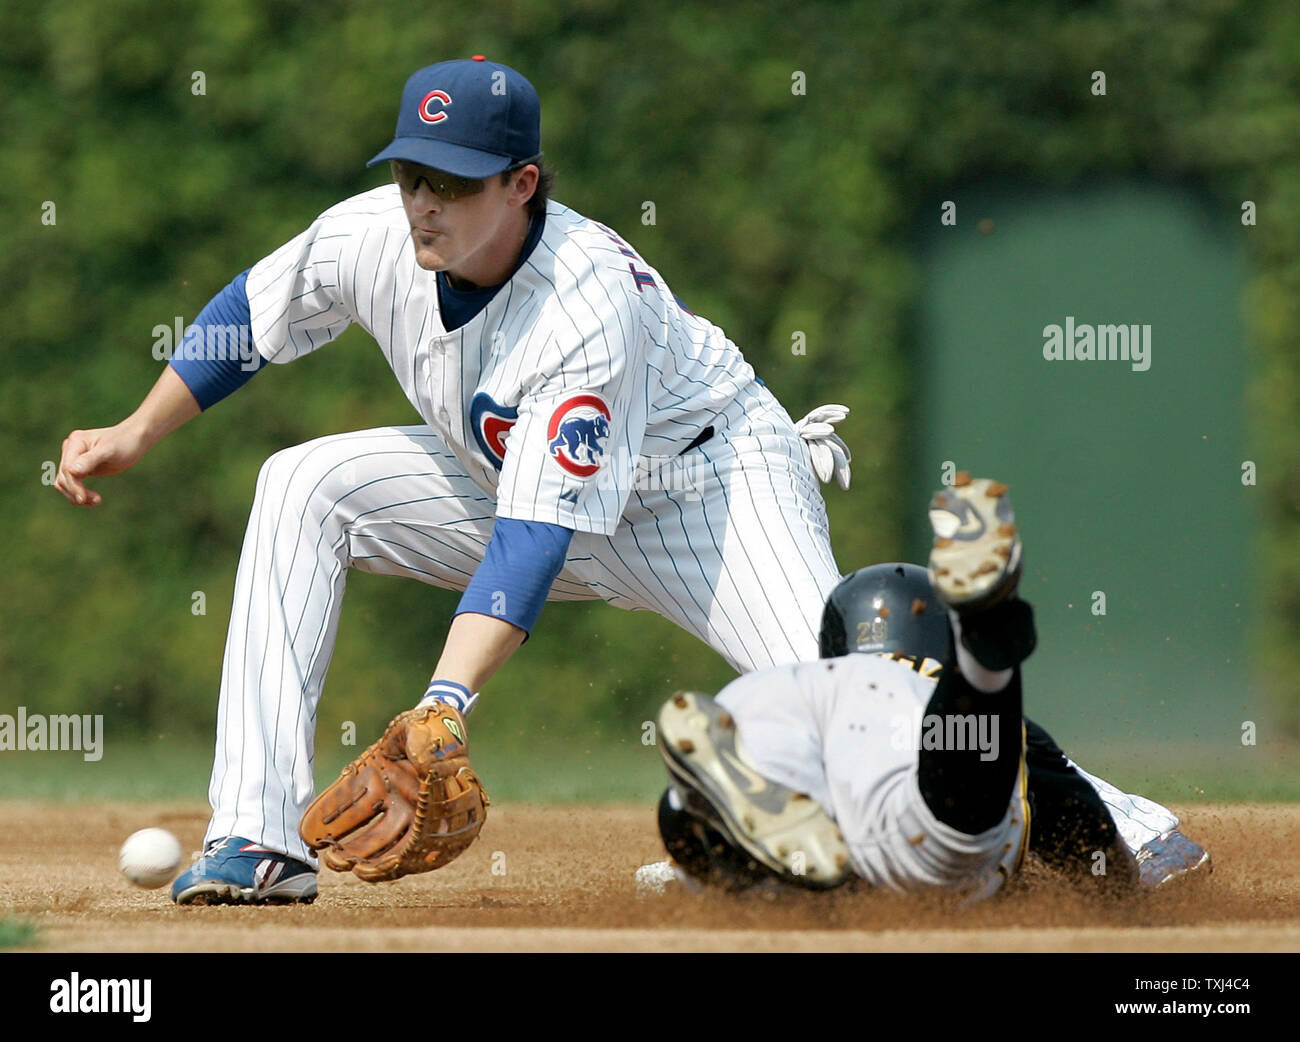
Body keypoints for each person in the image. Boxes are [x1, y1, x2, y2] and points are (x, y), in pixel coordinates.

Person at [52, 57, 852, 905]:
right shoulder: (375, 236)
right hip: (509, 484)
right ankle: (257, 837)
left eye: (454, 181)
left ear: (521, 184)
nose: (424, 201)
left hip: (706, 490)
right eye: (410, 175)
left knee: (863, 719)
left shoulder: (585, 303)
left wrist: (444, 701)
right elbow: (250, 313)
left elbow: (534, 539)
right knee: (301, 485)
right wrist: (138, 428)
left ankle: (952, 825)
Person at [650, 474, 1211, 901]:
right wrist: (1118, 885)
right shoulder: (913, 687)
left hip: (752, 711)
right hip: (913, 782)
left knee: (733, 866)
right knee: (957, 820)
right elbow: (1077, 813)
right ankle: (984, 661)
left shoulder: (809, 679)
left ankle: (705, 835)